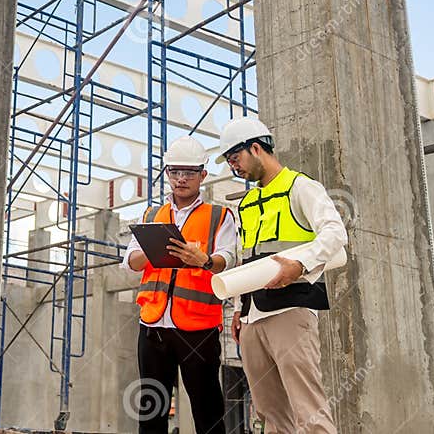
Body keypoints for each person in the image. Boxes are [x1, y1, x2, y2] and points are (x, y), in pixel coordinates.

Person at [218, 117, 348, 434]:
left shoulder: (300, 187)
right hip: (251, 317)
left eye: (235, 158)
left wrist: (300, 265)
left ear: (256, 148)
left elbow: (335, 233)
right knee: (270, 413)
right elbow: (246, 259)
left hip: (290, 310)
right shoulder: (247, 203)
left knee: (308, 409)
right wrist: (238, 310)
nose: (234, 167)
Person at [123, 136, 237, 434]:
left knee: (207, 409)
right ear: (167, 173)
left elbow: (228, 259)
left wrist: (204, 260)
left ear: (203, 175)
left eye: (189, 172)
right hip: (153, 325)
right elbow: (131, 260)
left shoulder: (219, 216)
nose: (181, 179)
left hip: (198, 328)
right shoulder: (151, 215)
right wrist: (151, 251)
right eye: (175, 172)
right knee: (152, 409)